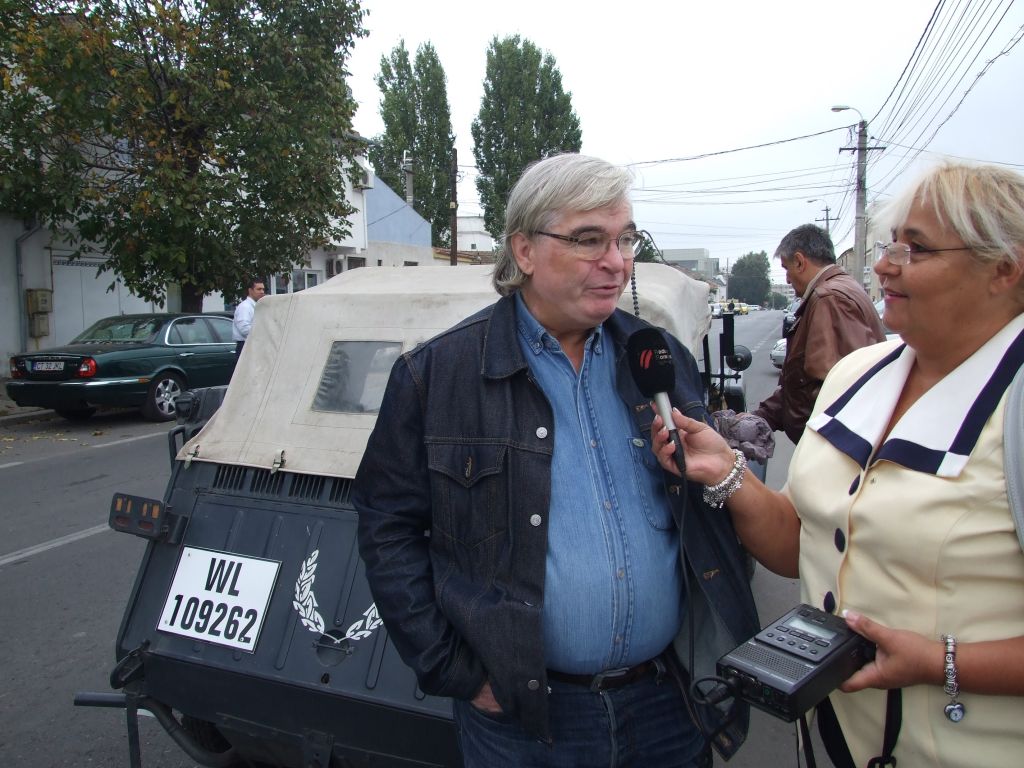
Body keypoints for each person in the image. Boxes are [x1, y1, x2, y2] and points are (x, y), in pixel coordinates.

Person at [353, 153, 759, 767]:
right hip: (525, 722)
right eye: (589, 239)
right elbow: (387, 529)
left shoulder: (657, 358)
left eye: (624, 239)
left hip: (667, 705)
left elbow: (704, 515)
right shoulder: (437, 376)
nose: (617, 261)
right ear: (524, 251)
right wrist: (454, 671)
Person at [653, 161, 1024, 768]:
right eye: (890, 244)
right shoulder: (857, 374)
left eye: (917, 248)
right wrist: (727, 471)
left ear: (1004, 268)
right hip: (831, 742)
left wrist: (939, 663)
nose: (883, 265)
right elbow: (805, 542)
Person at [753, 224, 886, 443]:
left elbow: (836, 390)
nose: (786, 279)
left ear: (799, 261)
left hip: (833, 445)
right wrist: (765, 416)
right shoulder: (839, 289)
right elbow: (804, 384)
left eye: (787, 268)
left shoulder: (829, 299)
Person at [231, 278, 265, 355]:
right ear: (250, 290)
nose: (262, 292)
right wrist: (263, 333)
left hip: (254, 344)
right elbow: (244, 329)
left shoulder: (257, 306)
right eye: (259, 289)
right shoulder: (245, 307)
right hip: (246, 346)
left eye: (263, 289)